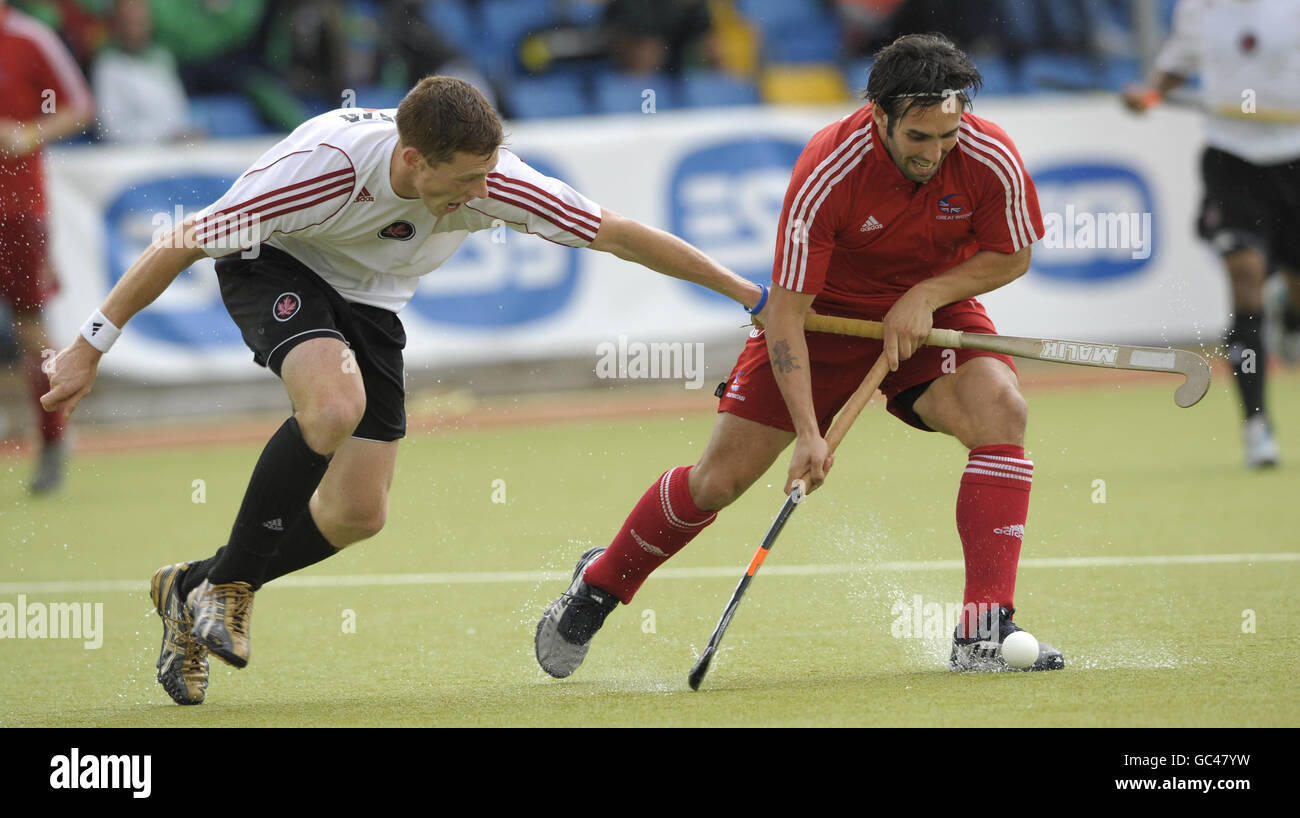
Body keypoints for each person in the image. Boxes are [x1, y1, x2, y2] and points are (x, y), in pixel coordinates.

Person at [40, 75, 765, 705]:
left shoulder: (497, 179)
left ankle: (193, 585)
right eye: (464, 181)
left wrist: (745, 293)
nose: (482, 195)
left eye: (487, 175)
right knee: (333, 407)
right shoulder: (319, 172)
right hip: (277, 263)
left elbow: (617, 234)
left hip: (375, 298)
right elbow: (183, 240)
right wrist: (89, 343)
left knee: (359, 513)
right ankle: (229, 593)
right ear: (413, 159)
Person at [535, 33, 1065, 679]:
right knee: (719, 482)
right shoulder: (829, 169)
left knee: (1001, 413)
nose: (936, 153)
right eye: (918, 138)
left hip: (929, 313)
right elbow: (783, 313)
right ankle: (600, 583)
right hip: (820, 319)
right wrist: (810, 435)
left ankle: (984, 630)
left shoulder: (988, 156)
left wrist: (928, 294)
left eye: (947, 135)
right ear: (880, 116)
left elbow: (1013, 253)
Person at [1123, 0, 1300, 469]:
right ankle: (1257, 427)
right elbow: (1178, 64)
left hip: (1295, 159)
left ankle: (1292, 319)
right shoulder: (1198, 8)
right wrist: (1152, 93)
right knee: (1245, 277)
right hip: (1232, 162)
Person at [0, 0, 95, 494]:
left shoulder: (28, 37)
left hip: (15, 208)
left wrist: (30, 132)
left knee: (30, 326)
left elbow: (79, 105)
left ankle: (53, 440)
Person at [92, 0, 194, 144]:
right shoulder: (107, 67)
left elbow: (179, 114)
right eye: (129, 21)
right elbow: (111, 130)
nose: (135, 28)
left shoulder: (162, 58)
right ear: (117, 25)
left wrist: (185, 133)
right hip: (132, 158)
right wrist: (166, 136)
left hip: (174, 152)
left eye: (140, 21)